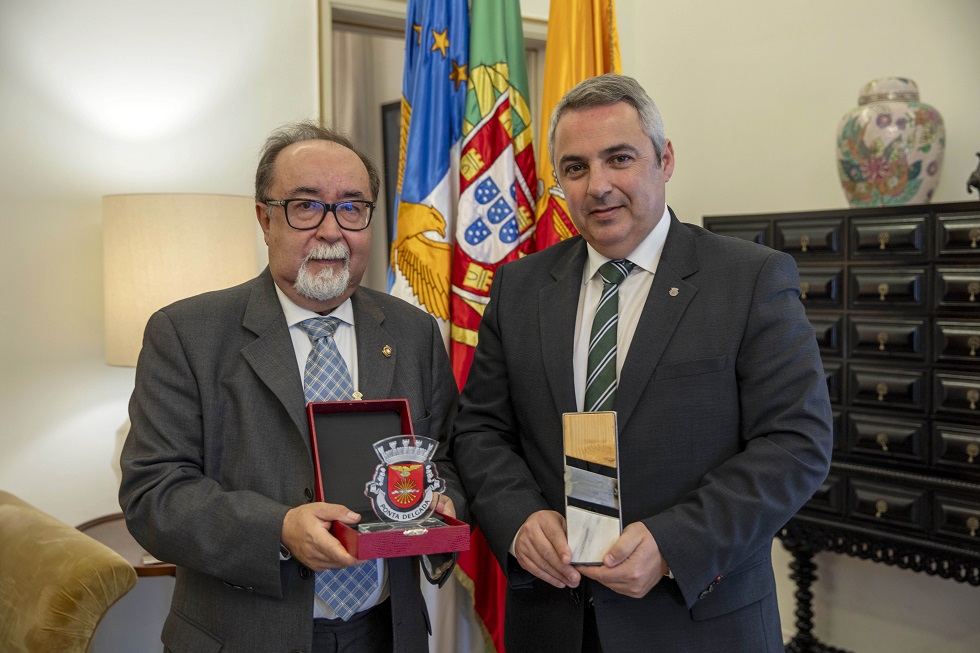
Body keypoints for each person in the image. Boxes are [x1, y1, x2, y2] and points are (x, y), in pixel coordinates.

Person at [451, 73, 833, 652]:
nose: (598, 185)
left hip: (697, 624)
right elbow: (480, 430)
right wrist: (518, 517)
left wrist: (675, 543)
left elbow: (796, 442)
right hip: (552, 620)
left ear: (665, 159)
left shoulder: (750, 279)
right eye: (575, 167)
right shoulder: (518, 288)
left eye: (620, 158)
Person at [119, 121, 463, 653]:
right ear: (265, 219)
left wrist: (442, 503)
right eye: (306, 206)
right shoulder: (186, 334)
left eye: (352, 207)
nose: (331, 230)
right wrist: (278, 529)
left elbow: (449, 460)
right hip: (243, 636)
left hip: (387, 633)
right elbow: (154, 495)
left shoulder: (413, 333)